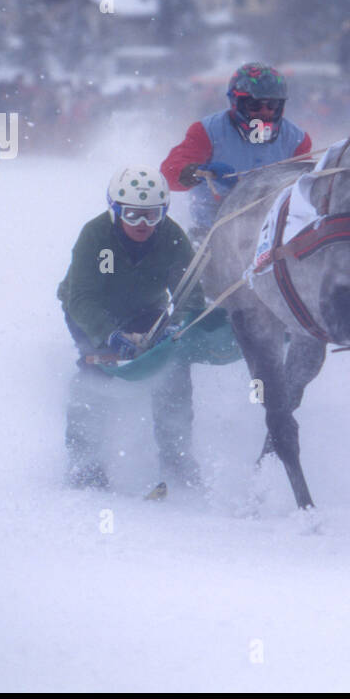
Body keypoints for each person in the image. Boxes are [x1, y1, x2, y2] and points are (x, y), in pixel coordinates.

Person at [57, 166, 207, 491]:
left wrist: (176, 327)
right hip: (91, 312)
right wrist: (108, 335)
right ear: (115, 210)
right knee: (96, 369)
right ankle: (86, 463)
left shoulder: (172, 237)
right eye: (133, 215)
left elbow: (190, 293)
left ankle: (176, 457)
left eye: (152, 216)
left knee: (173, 368)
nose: (143, 225)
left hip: (145, 312)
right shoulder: (95, 236)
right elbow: (80, 297)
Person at [160, 63, 312, 241]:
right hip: (212, 232)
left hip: (272, 236)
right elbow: (168, 174)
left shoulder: (297, 140)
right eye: (254, 105)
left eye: (272, 105)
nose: (264, 112)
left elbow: (305, 191)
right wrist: (199, 172)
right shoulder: (207, 131)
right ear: (236, 103)